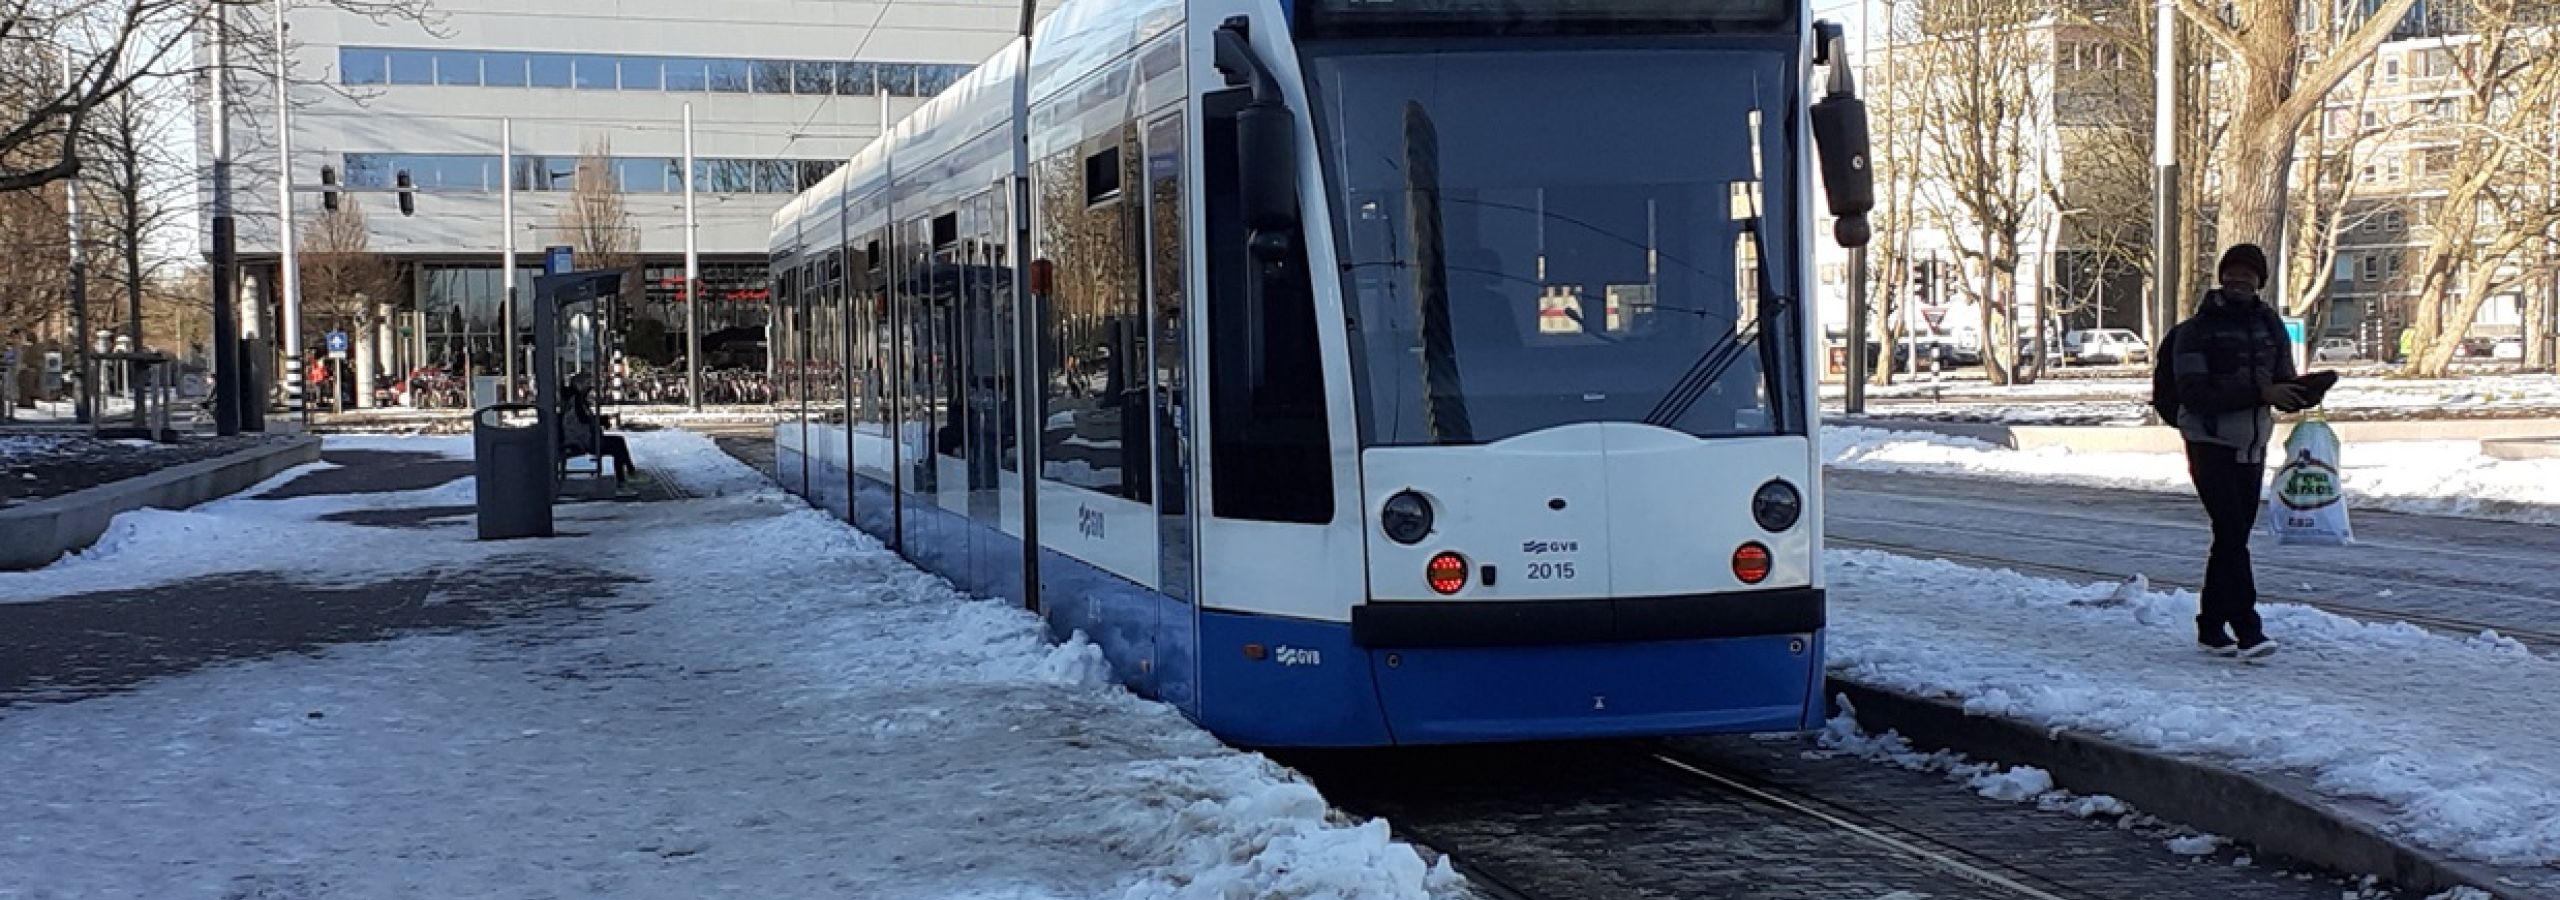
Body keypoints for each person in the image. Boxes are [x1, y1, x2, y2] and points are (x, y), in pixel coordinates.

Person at [2151, 243, 2316, 660]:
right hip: (2209, 443)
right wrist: (2262, 392)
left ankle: (2210, 625)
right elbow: (2194, 392)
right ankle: (2248, 628)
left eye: (2248, 273)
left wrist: (2304, 392)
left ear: (2260, 280)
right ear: (2221, 277)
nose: (2239, 279)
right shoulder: (2194, 332)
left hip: (2253, 444)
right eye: (2232, 272)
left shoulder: (2270, 326)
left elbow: (2283, 381)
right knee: (2230, 532)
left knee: (2232, 536)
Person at [560, 372, 641, 488]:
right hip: (582, 440)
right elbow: (584, 420)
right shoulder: (577, 402)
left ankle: (630, 472)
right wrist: (599, 422)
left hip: (584, 437)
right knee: (617, 446)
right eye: (587, 385)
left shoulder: (576, 401)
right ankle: (622, 480)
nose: (589, 389)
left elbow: (587, 419)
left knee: (619, 441)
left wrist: (601, 420)